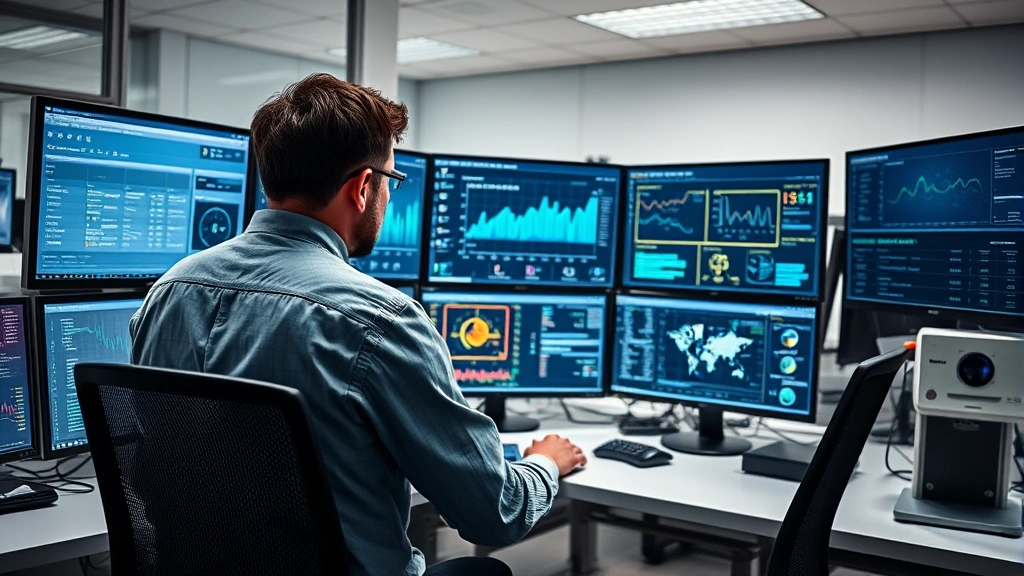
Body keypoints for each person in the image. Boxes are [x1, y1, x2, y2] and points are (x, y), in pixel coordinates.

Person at [129, 73, 587, 576]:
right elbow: (493, 513)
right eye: (391, 180)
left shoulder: (169, 290)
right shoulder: (378, 319)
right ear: (364, 187)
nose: (389, 196)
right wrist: (545, 463)